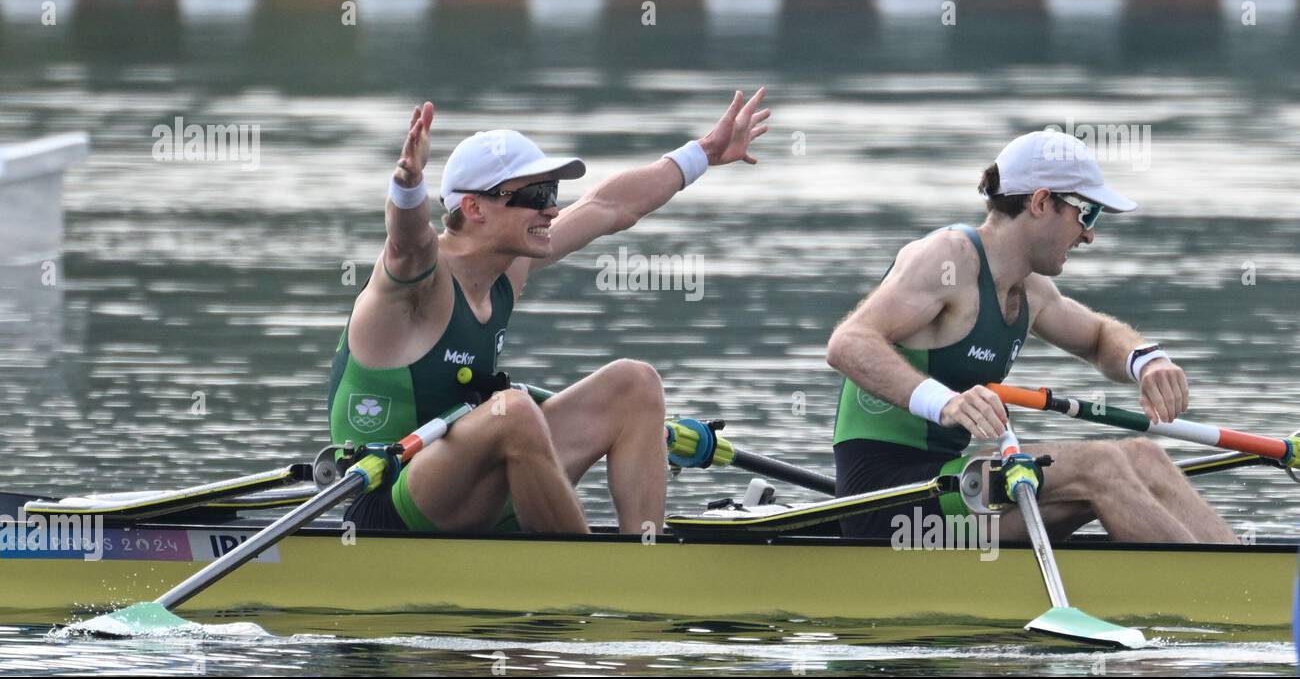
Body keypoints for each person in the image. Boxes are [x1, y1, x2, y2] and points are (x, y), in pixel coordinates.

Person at [328, 90, 769, 535]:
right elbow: (407, 240)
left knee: (634, 384)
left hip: (471, 485)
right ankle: (579, 572)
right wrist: (407, 185)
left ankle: (642, 556)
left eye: (552, 192)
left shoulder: (511, 266)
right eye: (536, 195)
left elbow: (611, 206)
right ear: (474, 207)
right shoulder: (416, 283)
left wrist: (702, 154)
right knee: (512, 411)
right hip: (387, 502)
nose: (552, 208)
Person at [826, 129, 1237, 544]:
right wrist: (946, 403)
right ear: (1041, 202)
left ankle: (1251, 587)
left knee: (1145, 457)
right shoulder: (947, 258)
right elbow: (849, 343)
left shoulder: (1031, 290)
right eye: (1087, 213)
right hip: (882, 501)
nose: (1089, 234)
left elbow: (1098, 337)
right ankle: (1216, 599)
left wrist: (1147, 361)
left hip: (953, 489)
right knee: (1100, 465)